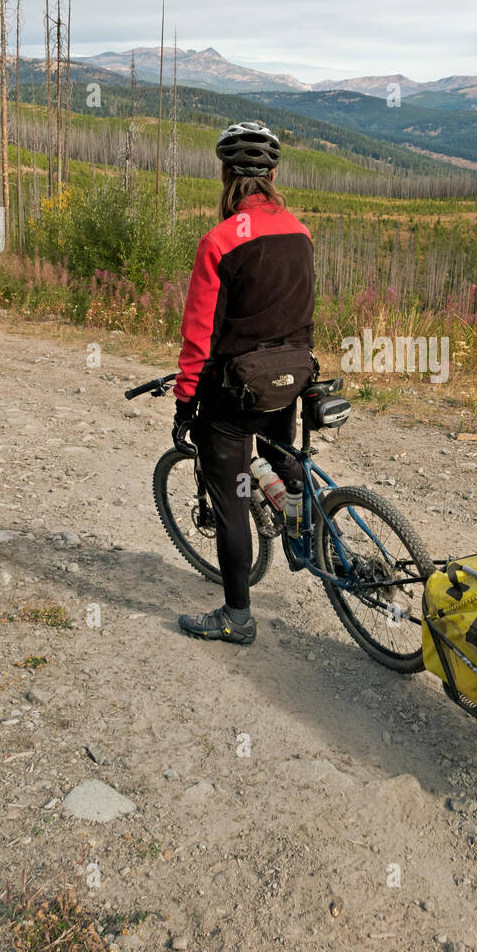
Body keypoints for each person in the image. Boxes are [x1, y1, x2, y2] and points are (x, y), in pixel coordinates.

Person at [172, 120, 315, 645]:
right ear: (272, 175)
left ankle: (237, 617)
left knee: (231, 498)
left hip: (236, 393)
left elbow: (199, 336)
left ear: (227, 175)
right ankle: (304, 535)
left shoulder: (219, 242)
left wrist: (186, 401)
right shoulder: (300, 232)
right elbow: (301, 315)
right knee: (283, 459)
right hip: (292, 375)